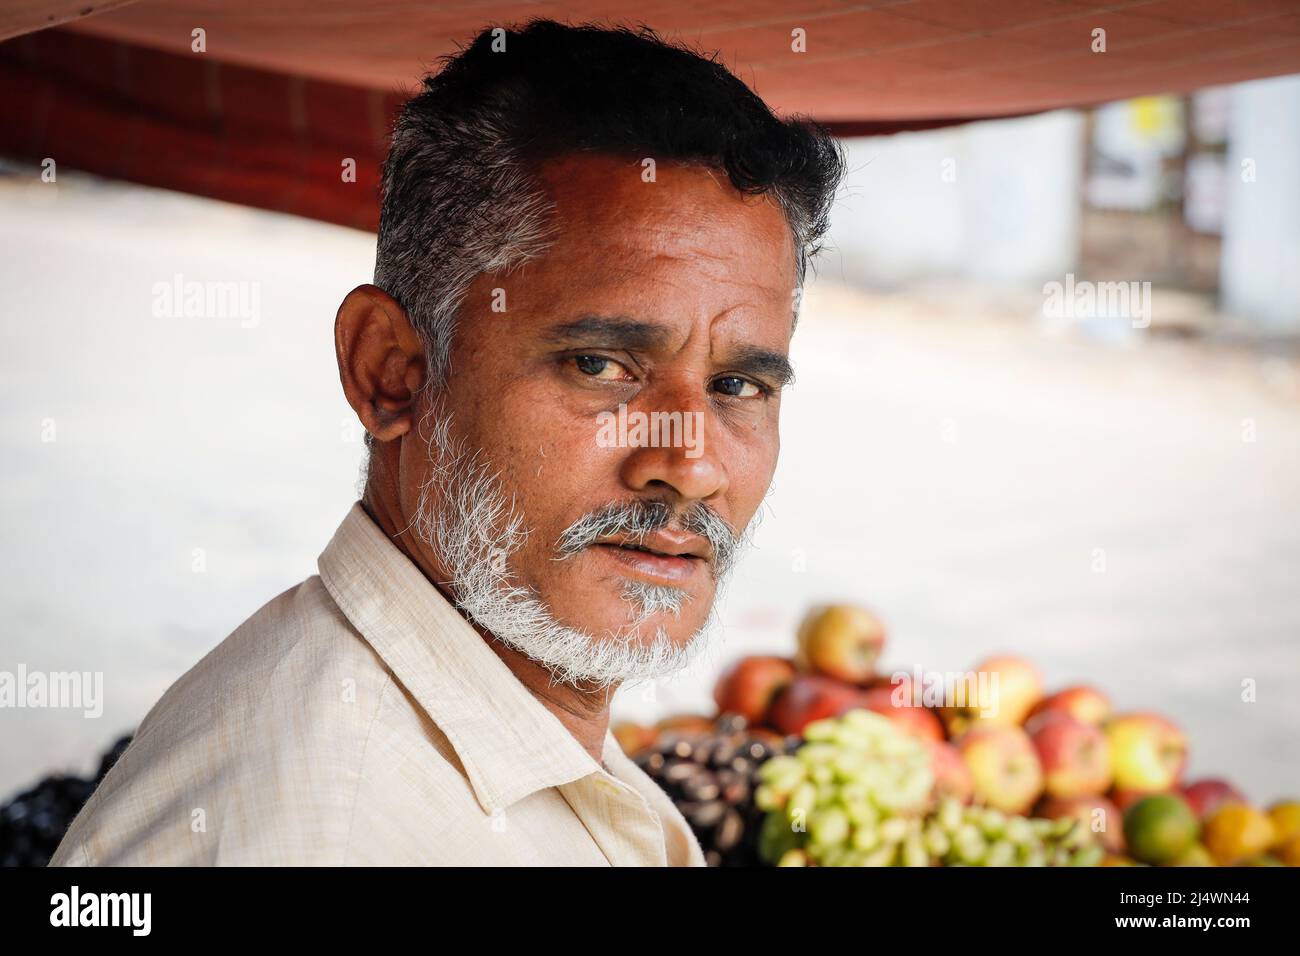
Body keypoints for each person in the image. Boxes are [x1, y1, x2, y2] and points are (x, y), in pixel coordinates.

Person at [50, 18, 844, 866]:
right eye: (600, 364)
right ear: (391, 371)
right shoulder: (310, 828)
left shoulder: (519, 749)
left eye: (739, 387)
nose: (692, 465)